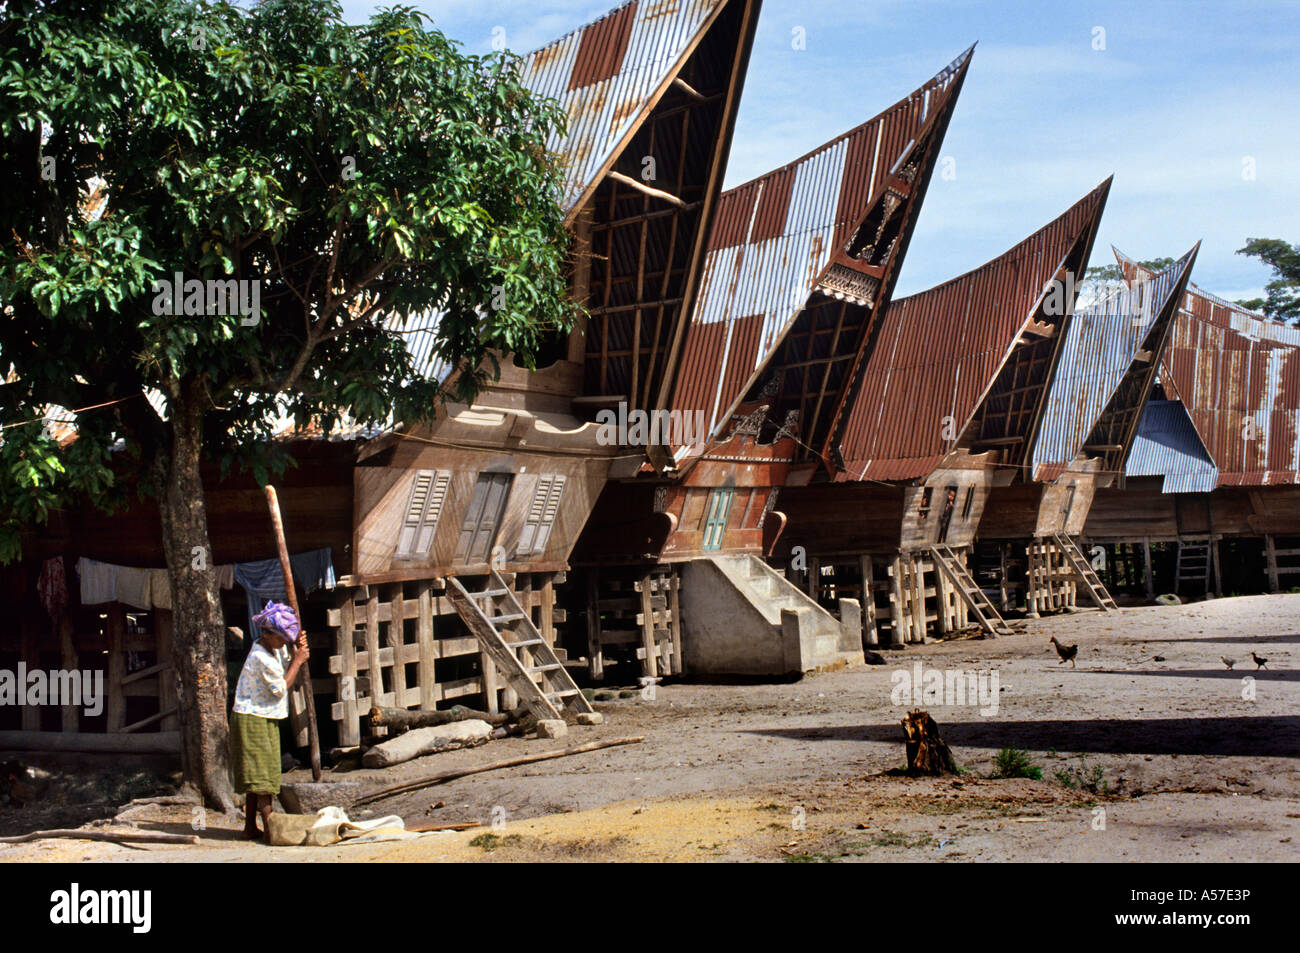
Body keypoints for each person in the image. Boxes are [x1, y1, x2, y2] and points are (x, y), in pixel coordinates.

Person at [230, 600, 310, 843]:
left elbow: (286, 658)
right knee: (262, 774)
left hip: (262, 716)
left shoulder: (272, 649)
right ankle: (269, 828)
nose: (283, 643)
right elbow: (280, 688)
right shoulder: (260, 657)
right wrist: (298, 661)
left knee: (258, 771)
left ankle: (250, 828)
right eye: (280, 639)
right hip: (252, 718)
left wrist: (298, 646)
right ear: (266, 634)